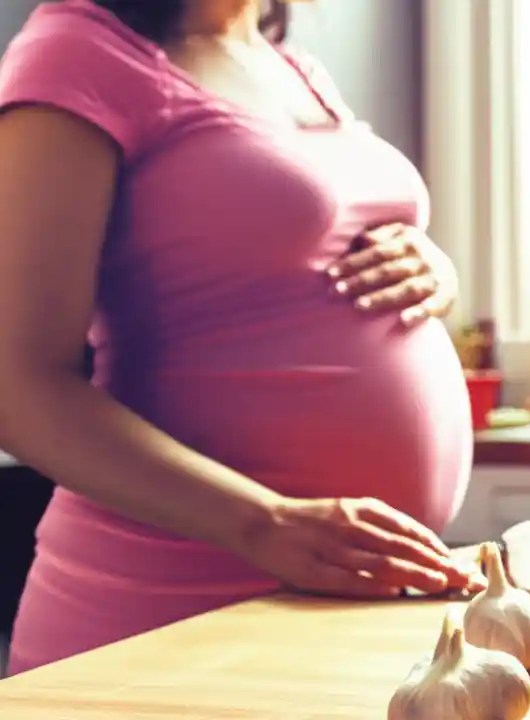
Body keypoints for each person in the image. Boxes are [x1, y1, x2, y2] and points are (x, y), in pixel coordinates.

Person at [0, 0, 481, 676]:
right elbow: (17, 387)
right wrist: (265, 522)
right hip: (162, 616)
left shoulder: (290, 66)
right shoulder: (79, 53)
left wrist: (434, 268)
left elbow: (296, 248)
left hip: (337, 608)